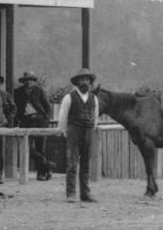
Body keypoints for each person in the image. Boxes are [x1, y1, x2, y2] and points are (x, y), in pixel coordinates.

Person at [60, 69, 101, 203]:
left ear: (90, 82)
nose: (84, 82)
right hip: (74, 132)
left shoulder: (94, 98)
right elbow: (63, 117)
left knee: (86, 164)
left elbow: (95, 117)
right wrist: (65, 132)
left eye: (87, 80)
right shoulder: (69, 97)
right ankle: (71, 194)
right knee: (72, 163)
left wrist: (91, 129)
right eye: (81, 80)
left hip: (88, 132)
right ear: (77, 82)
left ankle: (85, 193)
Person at [13, 71, 54, 181]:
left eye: (31, 80)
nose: (29, 82)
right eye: (27, 80)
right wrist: (15, 122)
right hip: (26, 121)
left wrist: (46, 119)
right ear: (24, 81)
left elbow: (48, 108)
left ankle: (41, 173)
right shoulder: (17, 92)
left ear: (34, 81)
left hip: (40, 121)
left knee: (40, 147)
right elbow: (15, 108)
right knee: (27, 147)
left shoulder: (39, 91)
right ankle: (46, 164)